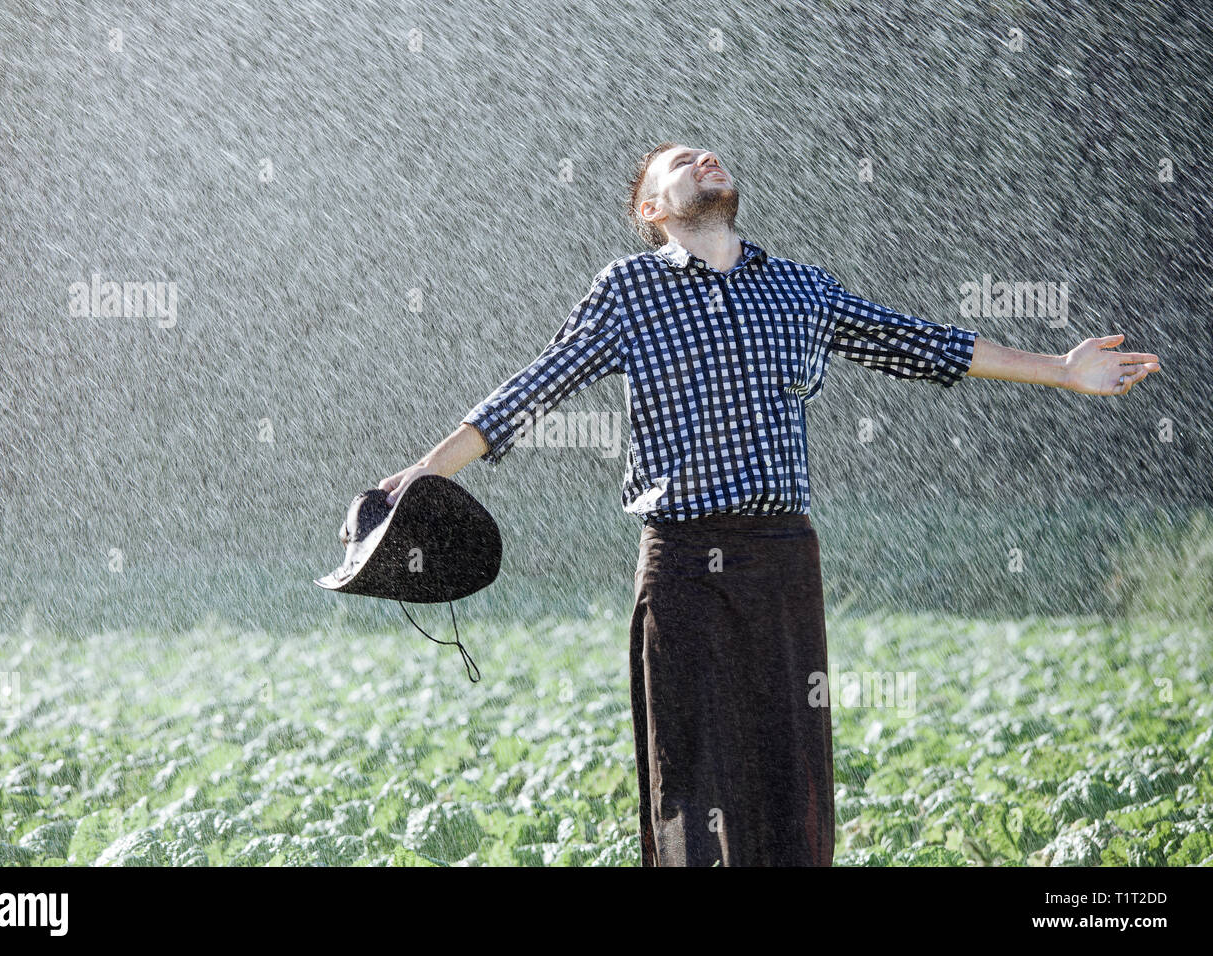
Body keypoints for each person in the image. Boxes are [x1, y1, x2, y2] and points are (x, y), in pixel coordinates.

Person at [372, 142, 1162, 866]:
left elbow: (922, 344)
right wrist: (427, 469)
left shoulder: (799, 288)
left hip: (783, 559)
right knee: (691, 773)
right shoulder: (628, 290)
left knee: (791, 771)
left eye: (709, 153)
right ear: (653, 210)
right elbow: (534, 388)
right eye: (682, 161)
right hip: (680, 565)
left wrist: (1060, 369)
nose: (706, 158)